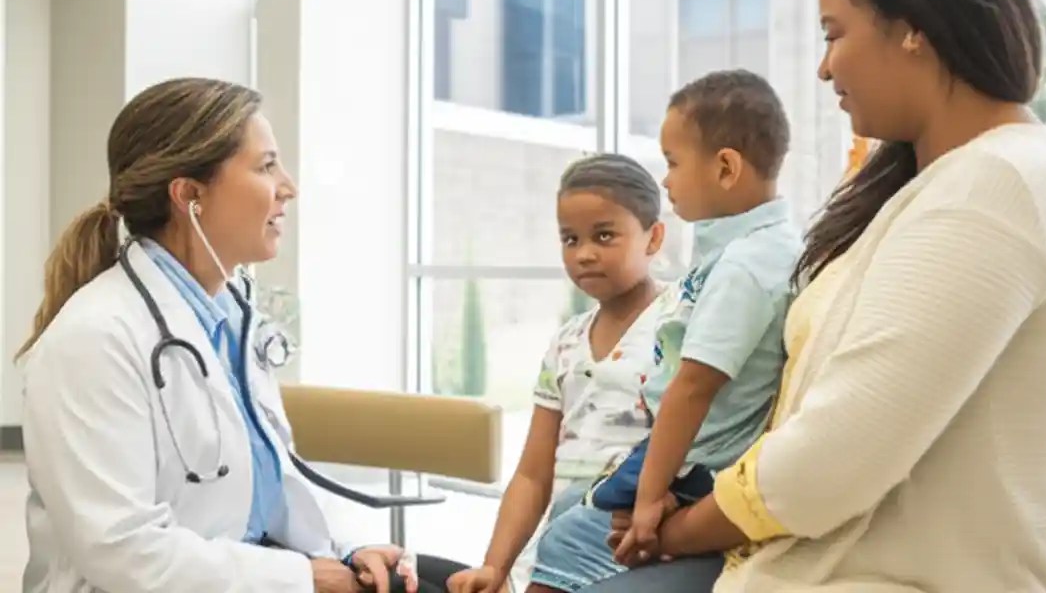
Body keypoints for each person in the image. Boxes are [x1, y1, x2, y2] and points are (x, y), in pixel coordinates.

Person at [591, 0, 1046, 592]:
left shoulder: (997, 188)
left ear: (913, 28)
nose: (824, 68)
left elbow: (831, 460)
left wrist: (673, 531)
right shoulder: (946, 184)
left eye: (835, 35)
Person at [19, 78, 466, 593]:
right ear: (190, 196)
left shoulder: (229, 318)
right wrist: (302, 577)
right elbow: (123, 552)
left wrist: (344, 548)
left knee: (454, 580)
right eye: (265, 165)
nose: (288, 187)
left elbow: (273, 475)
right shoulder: (93, 339)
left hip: (243, 562)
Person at [528, 70, 803, 593]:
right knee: (568, 505)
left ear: (725, 167)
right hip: (686, 458)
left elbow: (694, 386)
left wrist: (651, 498)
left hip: (695, 466)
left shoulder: (747, 266)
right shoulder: (748, 251)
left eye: (673, 163)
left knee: (561, 542)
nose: (666, 180)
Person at [444, 154, 669, 593]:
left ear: (654, 237)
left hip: (637, 550)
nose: (584, 254)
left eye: (604, 236)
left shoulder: (679, 326)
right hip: (560, 555)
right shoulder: (566, 343)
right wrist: (495, 566)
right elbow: (532, 475)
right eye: (570, 239)